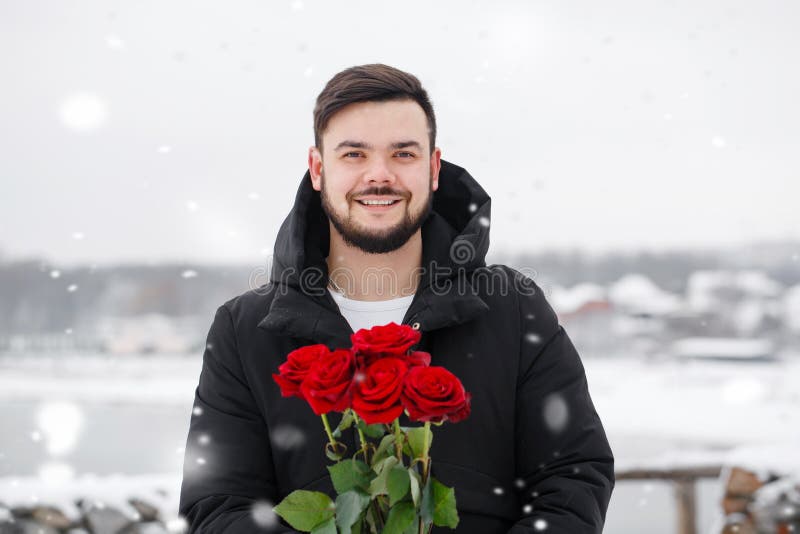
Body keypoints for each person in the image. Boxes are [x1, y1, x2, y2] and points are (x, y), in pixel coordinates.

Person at [179, 64, 614, 533]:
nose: (379, 175)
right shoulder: (245, 330)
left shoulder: (513, 308)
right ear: (319, 169)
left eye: (402, 153)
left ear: (432, 168)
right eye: (354, 154)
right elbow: (217, 508)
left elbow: (573, 478)